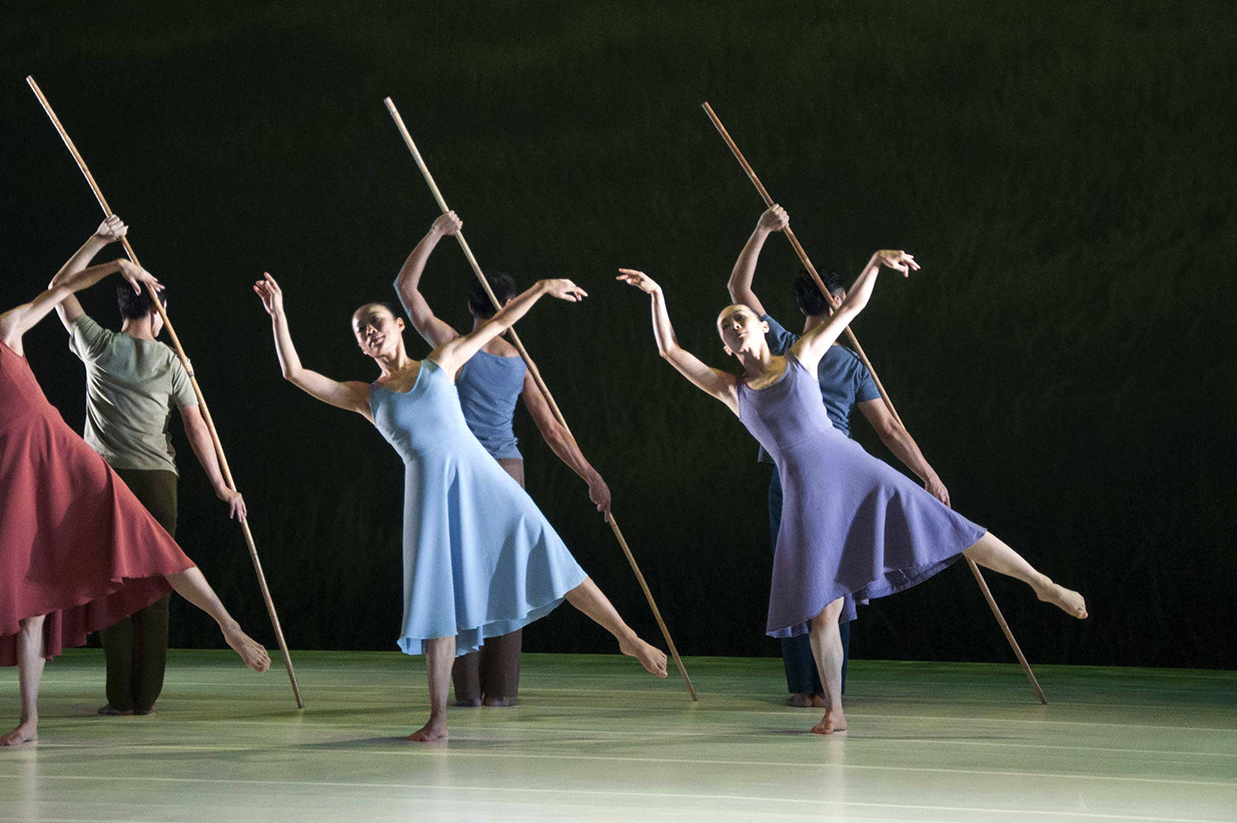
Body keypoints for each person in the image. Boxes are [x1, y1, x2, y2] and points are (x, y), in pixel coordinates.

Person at [0, 237, 270, 746]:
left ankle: (230, 626)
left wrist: (109, 257)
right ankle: (30, 720)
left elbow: (59, 290)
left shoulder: (4, 334)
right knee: (30, 601)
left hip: (68, 461)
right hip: (15, 484)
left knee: (152, 544)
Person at [616, 259, 1086, 735]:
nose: (735, 324)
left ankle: (1042, 583)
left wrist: (876, 262)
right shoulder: (732, 389)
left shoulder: (801, 356)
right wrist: (657, 293)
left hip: (854, 470)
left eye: (740, 317)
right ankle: (834, 710)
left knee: (948, 528)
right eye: (725, 325)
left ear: (761, 325)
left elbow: (853, 306)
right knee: (824, 606)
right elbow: (670, 350)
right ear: (725, 345)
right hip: (805, 496)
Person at [254, 272, 667, 741]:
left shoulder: (441, 362)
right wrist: (279, 314)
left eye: (374, 321)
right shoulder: (368, 397)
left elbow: (498, 323)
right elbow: (295, 373)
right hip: (429, 499)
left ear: (398, 325)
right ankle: (438, 722)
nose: (368, 331)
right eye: (359, 331)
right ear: (363, 346)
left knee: (547, 547)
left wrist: (542, 288)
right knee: (437, 604)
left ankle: (626, 637)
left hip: (482, 479)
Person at [728, 204, 952, 708]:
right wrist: (928, 475)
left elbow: (738, 291)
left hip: (790, 479)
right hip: (835, 479)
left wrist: (761, 230)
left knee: (796, 575)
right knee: (837, 577)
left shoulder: (782, 342)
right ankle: (833, 691)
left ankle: (805, 691)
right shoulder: (830, 357)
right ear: (837, 298)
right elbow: (890, 429)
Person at [393, 210, 612, 707]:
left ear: (472, 305)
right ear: (510, 304)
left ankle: (467, 694)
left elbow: (406, 290)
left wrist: (434, 233)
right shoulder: (516, 360)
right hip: (505, 472)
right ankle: (501, 694)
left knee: (463, 575)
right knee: (510, 574)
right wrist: (589, 475)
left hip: (462, 473)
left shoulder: (451, 345)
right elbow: (552, 431)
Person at [48, 215, 249, 717]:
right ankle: (146, 698)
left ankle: (121, 698)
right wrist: (223, 487)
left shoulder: (97, 343)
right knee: (158, 584)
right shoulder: (173, 362)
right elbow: (197, 428)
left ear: (123, 308)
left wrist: (99, 243)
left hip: (104, 482)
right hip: (158, 481)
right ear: (160, 316)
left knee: (113, 584)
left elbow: (57, 289)